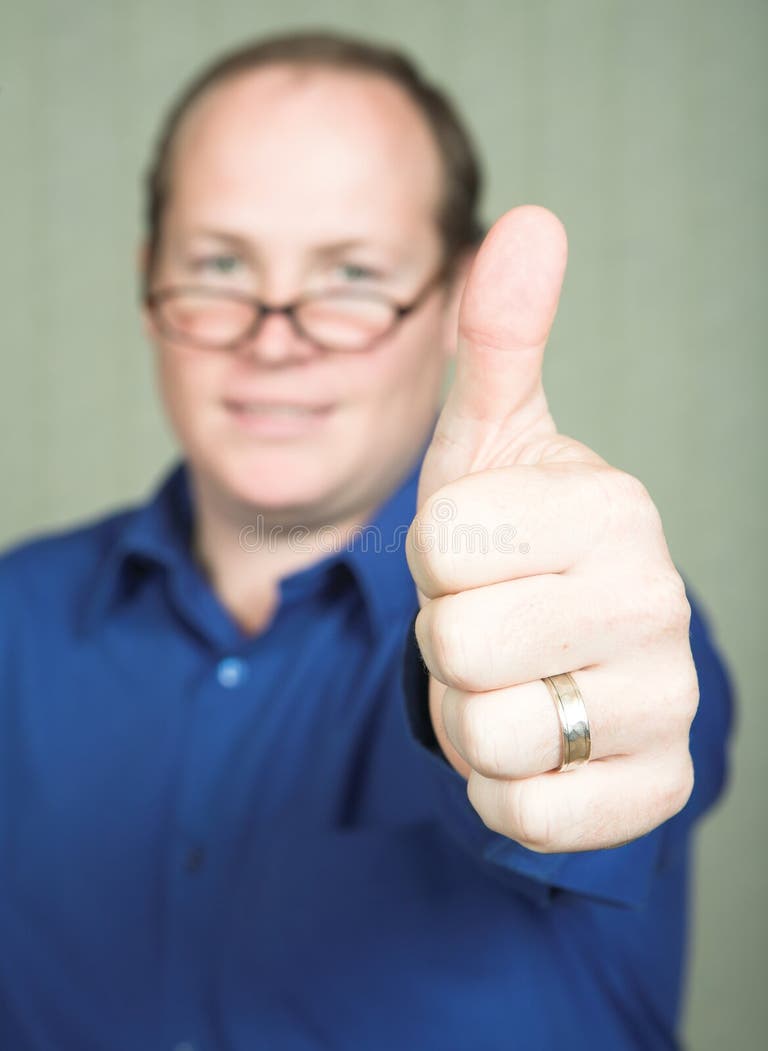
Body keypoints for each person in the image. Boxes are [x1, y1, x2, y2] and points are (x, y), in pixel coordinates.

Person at [0, 30, 733, 1051]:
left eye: (350, 272)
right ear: (148, 285)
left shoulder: (580, 605)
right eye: (219, 263)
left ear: (451, 299)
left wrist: (519, 718)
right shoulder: (15, 619)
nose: (274, 334)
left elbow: (621, 695)